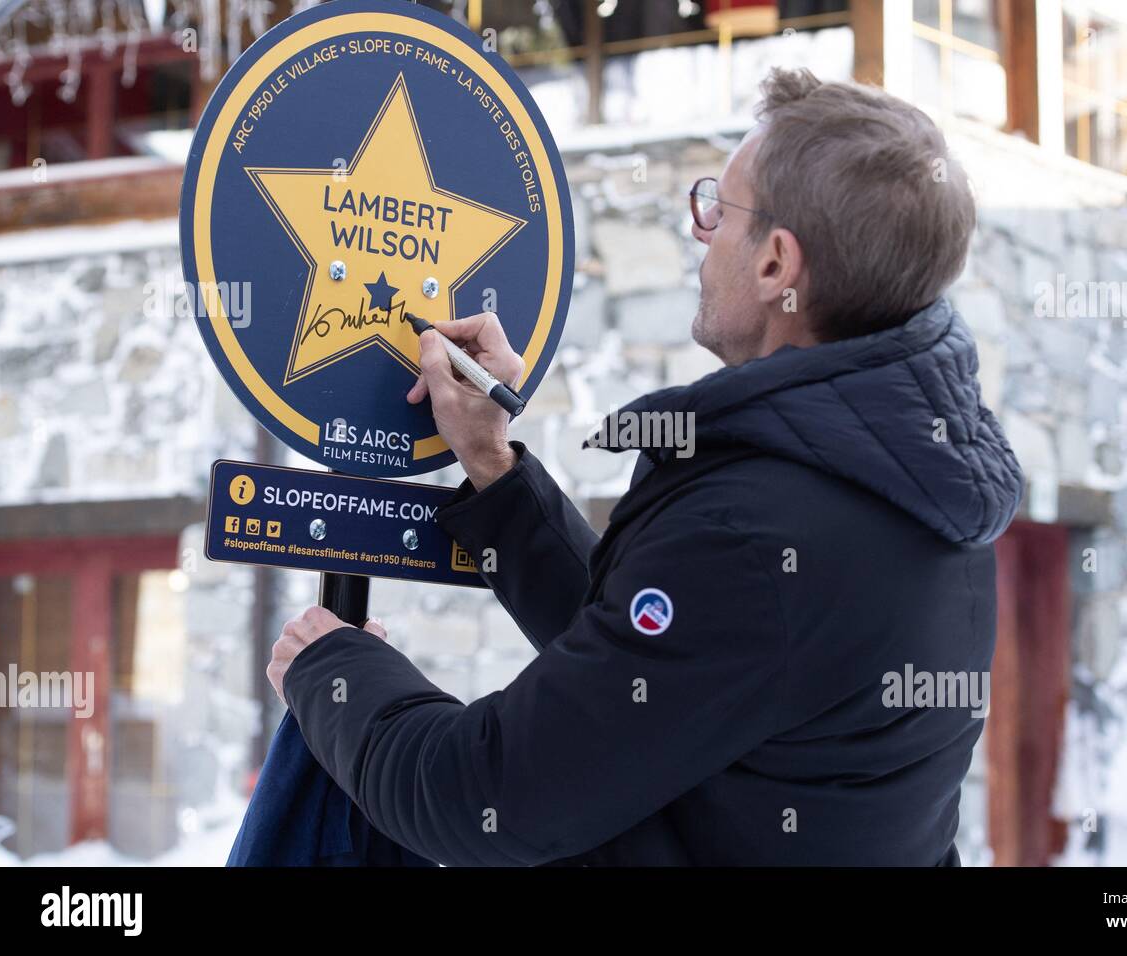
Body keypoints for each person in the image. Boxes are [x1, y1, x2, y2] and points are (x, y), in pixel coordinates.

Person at [268, 67, 1023, 866]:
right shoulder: (914, 471)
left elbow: (489, 797)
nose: (700, 232)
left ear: (776, 264)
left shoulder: (758, 533)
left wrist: (335, 673)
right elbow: (658, 685)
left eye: (717, 210)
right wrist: (492, 465)